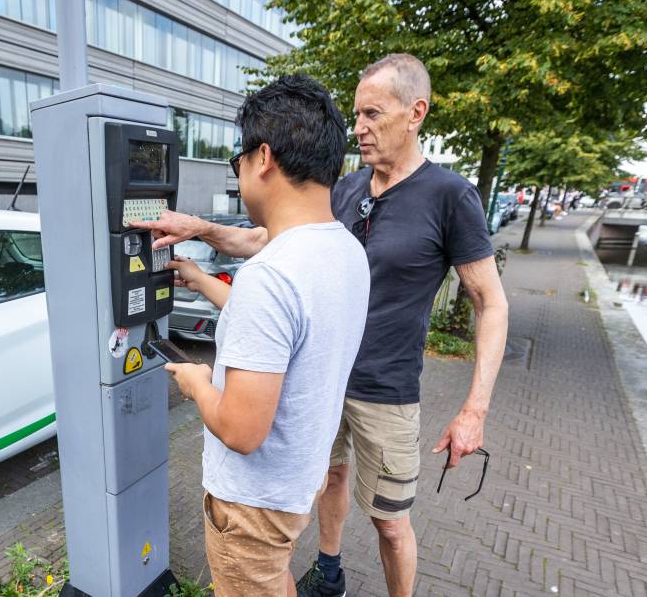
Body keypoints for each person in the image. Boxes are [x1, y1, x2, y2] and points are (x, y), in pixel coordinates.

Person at [135, 53, 509, 597]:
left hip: (363, 404)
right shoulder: (345, 215)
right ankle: (328, 571)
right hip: (310, 411)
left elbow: (488, 301)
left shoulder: (448, 195)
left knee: (387, 520)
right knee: (310, 511)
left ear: (416, 113)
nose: (361, 128)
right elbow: (284, 279)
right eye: (355, 115)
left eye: (373, 114)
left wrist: (196, 379)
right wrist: (201, 241)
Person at [162, 74, 371, 596]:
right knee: (274, 576)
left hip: (252, 504)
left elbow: (240, 429)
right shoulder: (344, 250)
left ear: (263, 157)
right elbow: (283, 336)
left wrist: (195, 382)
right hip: (300, 480)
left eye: (238, 162)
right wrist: (202, 279)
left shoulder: (271, 275)